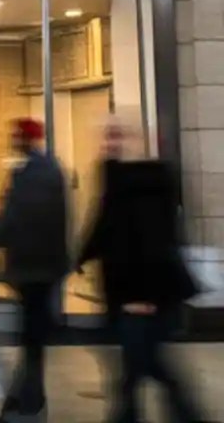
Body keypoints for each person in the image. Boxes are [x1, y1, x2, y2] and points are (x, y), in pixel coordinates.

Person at [77, 128, 212, 423]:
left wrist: (140, 296)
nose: (106, 147)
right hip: (148, 294)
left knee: (144, 366)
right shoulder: (142, 188)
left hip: (138, 296)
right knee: (139, 367)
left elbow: (134, 241)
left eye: (113, 141)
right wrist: (81, 256)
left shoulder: (132, 192)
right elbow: (104, 231)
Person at [0, 118, 69, 423]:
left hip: (36, 271)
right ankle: (24, 404)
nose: (12, 140)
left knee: (32, 341)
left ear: (26, 139)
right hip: (39, 269)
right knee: (32, 341)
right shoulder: (42, 169)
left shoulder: (35, 173)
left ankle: (24, 408)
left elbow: (13, 217)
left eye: (17, 135)